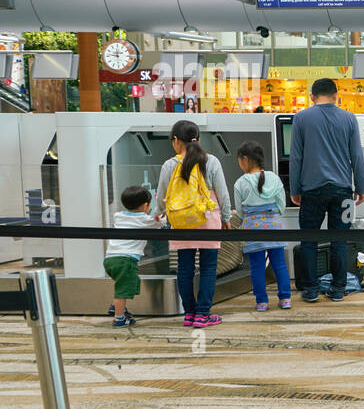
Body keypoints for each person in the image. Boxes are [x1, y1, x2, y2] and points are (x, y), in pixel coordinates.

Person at [290, 78, 364, 303]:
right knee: (339, 240)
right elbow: (357, 157)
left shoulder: (301, 118)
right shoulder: (349, 118)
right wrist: (360, 187)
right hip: (343, 191)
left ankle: (311, 290)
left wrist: (294, 188)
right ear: (336, 95)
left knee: (309, 240)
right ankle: (339, 289)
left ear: (311, 96)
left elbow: (296, 157)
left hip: (311, 191)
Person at [156, 119, 232, 327]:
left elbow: (162, 194)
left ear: (175, 141)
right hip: (207, 216)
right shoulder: (212, 161)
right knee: (208, 267)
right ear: (198, 139)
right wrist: (226, 218)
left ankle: (189, 313)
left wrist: (158, 214)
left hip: (181, 220)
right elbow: (223, 193)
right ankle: (203, 314)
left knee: (185, 268)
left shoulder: (170, 164)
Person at [233, 141, 292, 312]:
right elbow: (281, 204)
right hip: (274, 225)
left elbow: (240, 211)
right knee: (279, 264)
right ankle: (285, 298)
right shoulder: (274, 178)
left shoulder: (240, 182)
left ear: (245, 159)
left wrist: (251, 219)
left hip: (253, 228)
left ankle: (262, 302)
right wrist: (273, 216)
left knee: (257, 267)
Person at [104, 185, 159, 327]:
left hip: (110, 259)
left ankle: (115, 307)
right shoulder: (144, 219)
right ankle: (119, 318)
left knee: (126, 284)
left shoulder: (119, 216)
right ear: (146, 205)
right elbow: (161, 221)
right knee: (123, 290)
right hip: (125, 260)